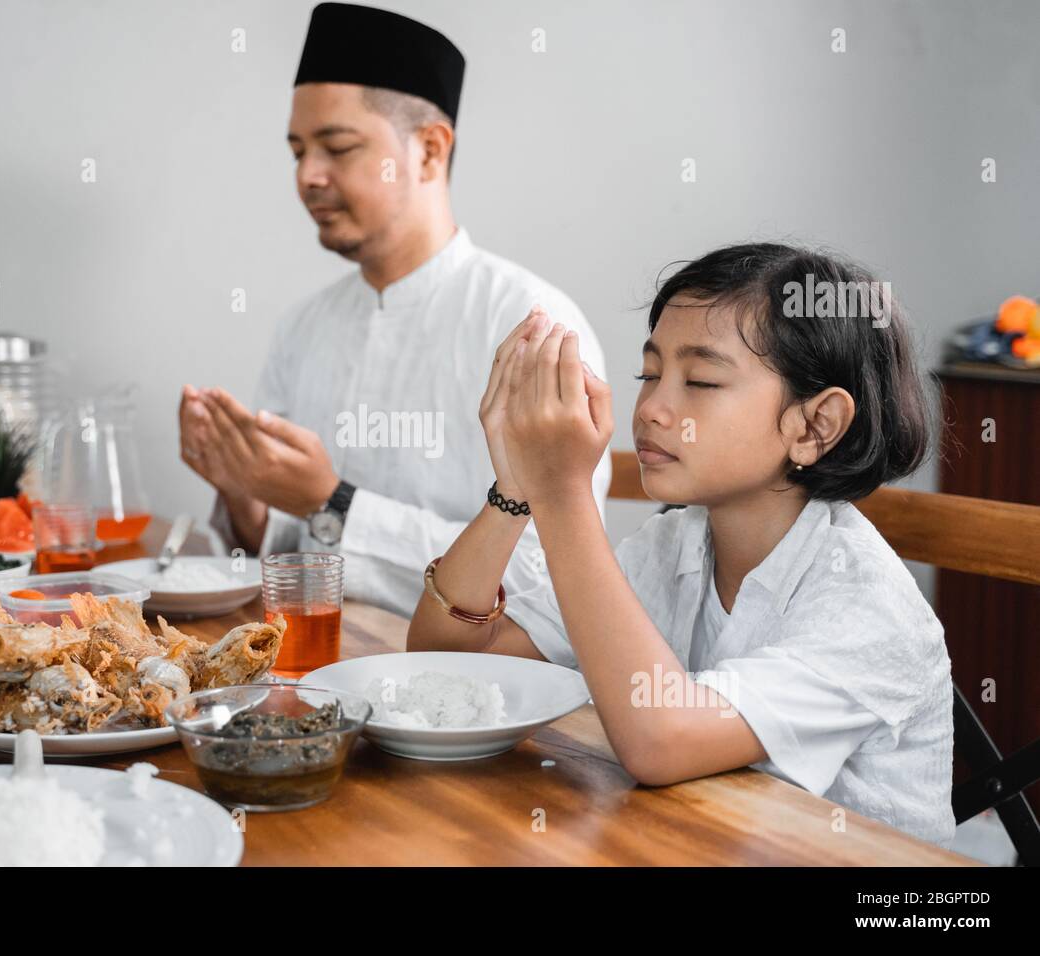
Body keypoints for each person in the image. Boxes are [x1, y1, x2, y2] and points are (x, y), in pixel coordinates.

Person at [407, 242, 955, 845]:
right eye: (649, 374)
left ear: (814, 426)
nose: (653, 409)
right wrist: (515, 489)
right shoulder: (674, 542)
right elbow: (447, 659)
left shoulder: (868, 608)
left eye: (700, 380)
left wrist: (561, 492)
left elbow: (659, 740)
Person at [179, 2, 610, 616]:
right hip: (318, 675)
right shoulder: (303, 327)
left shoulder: (530, 326)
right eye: (298, 150)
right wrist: (242, 487)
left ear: (430, 151)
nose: (307, 175)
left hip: (486, 698)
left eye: (337, 146)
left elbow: (548, 580)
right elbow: (281, 557)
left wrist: (332, 502)